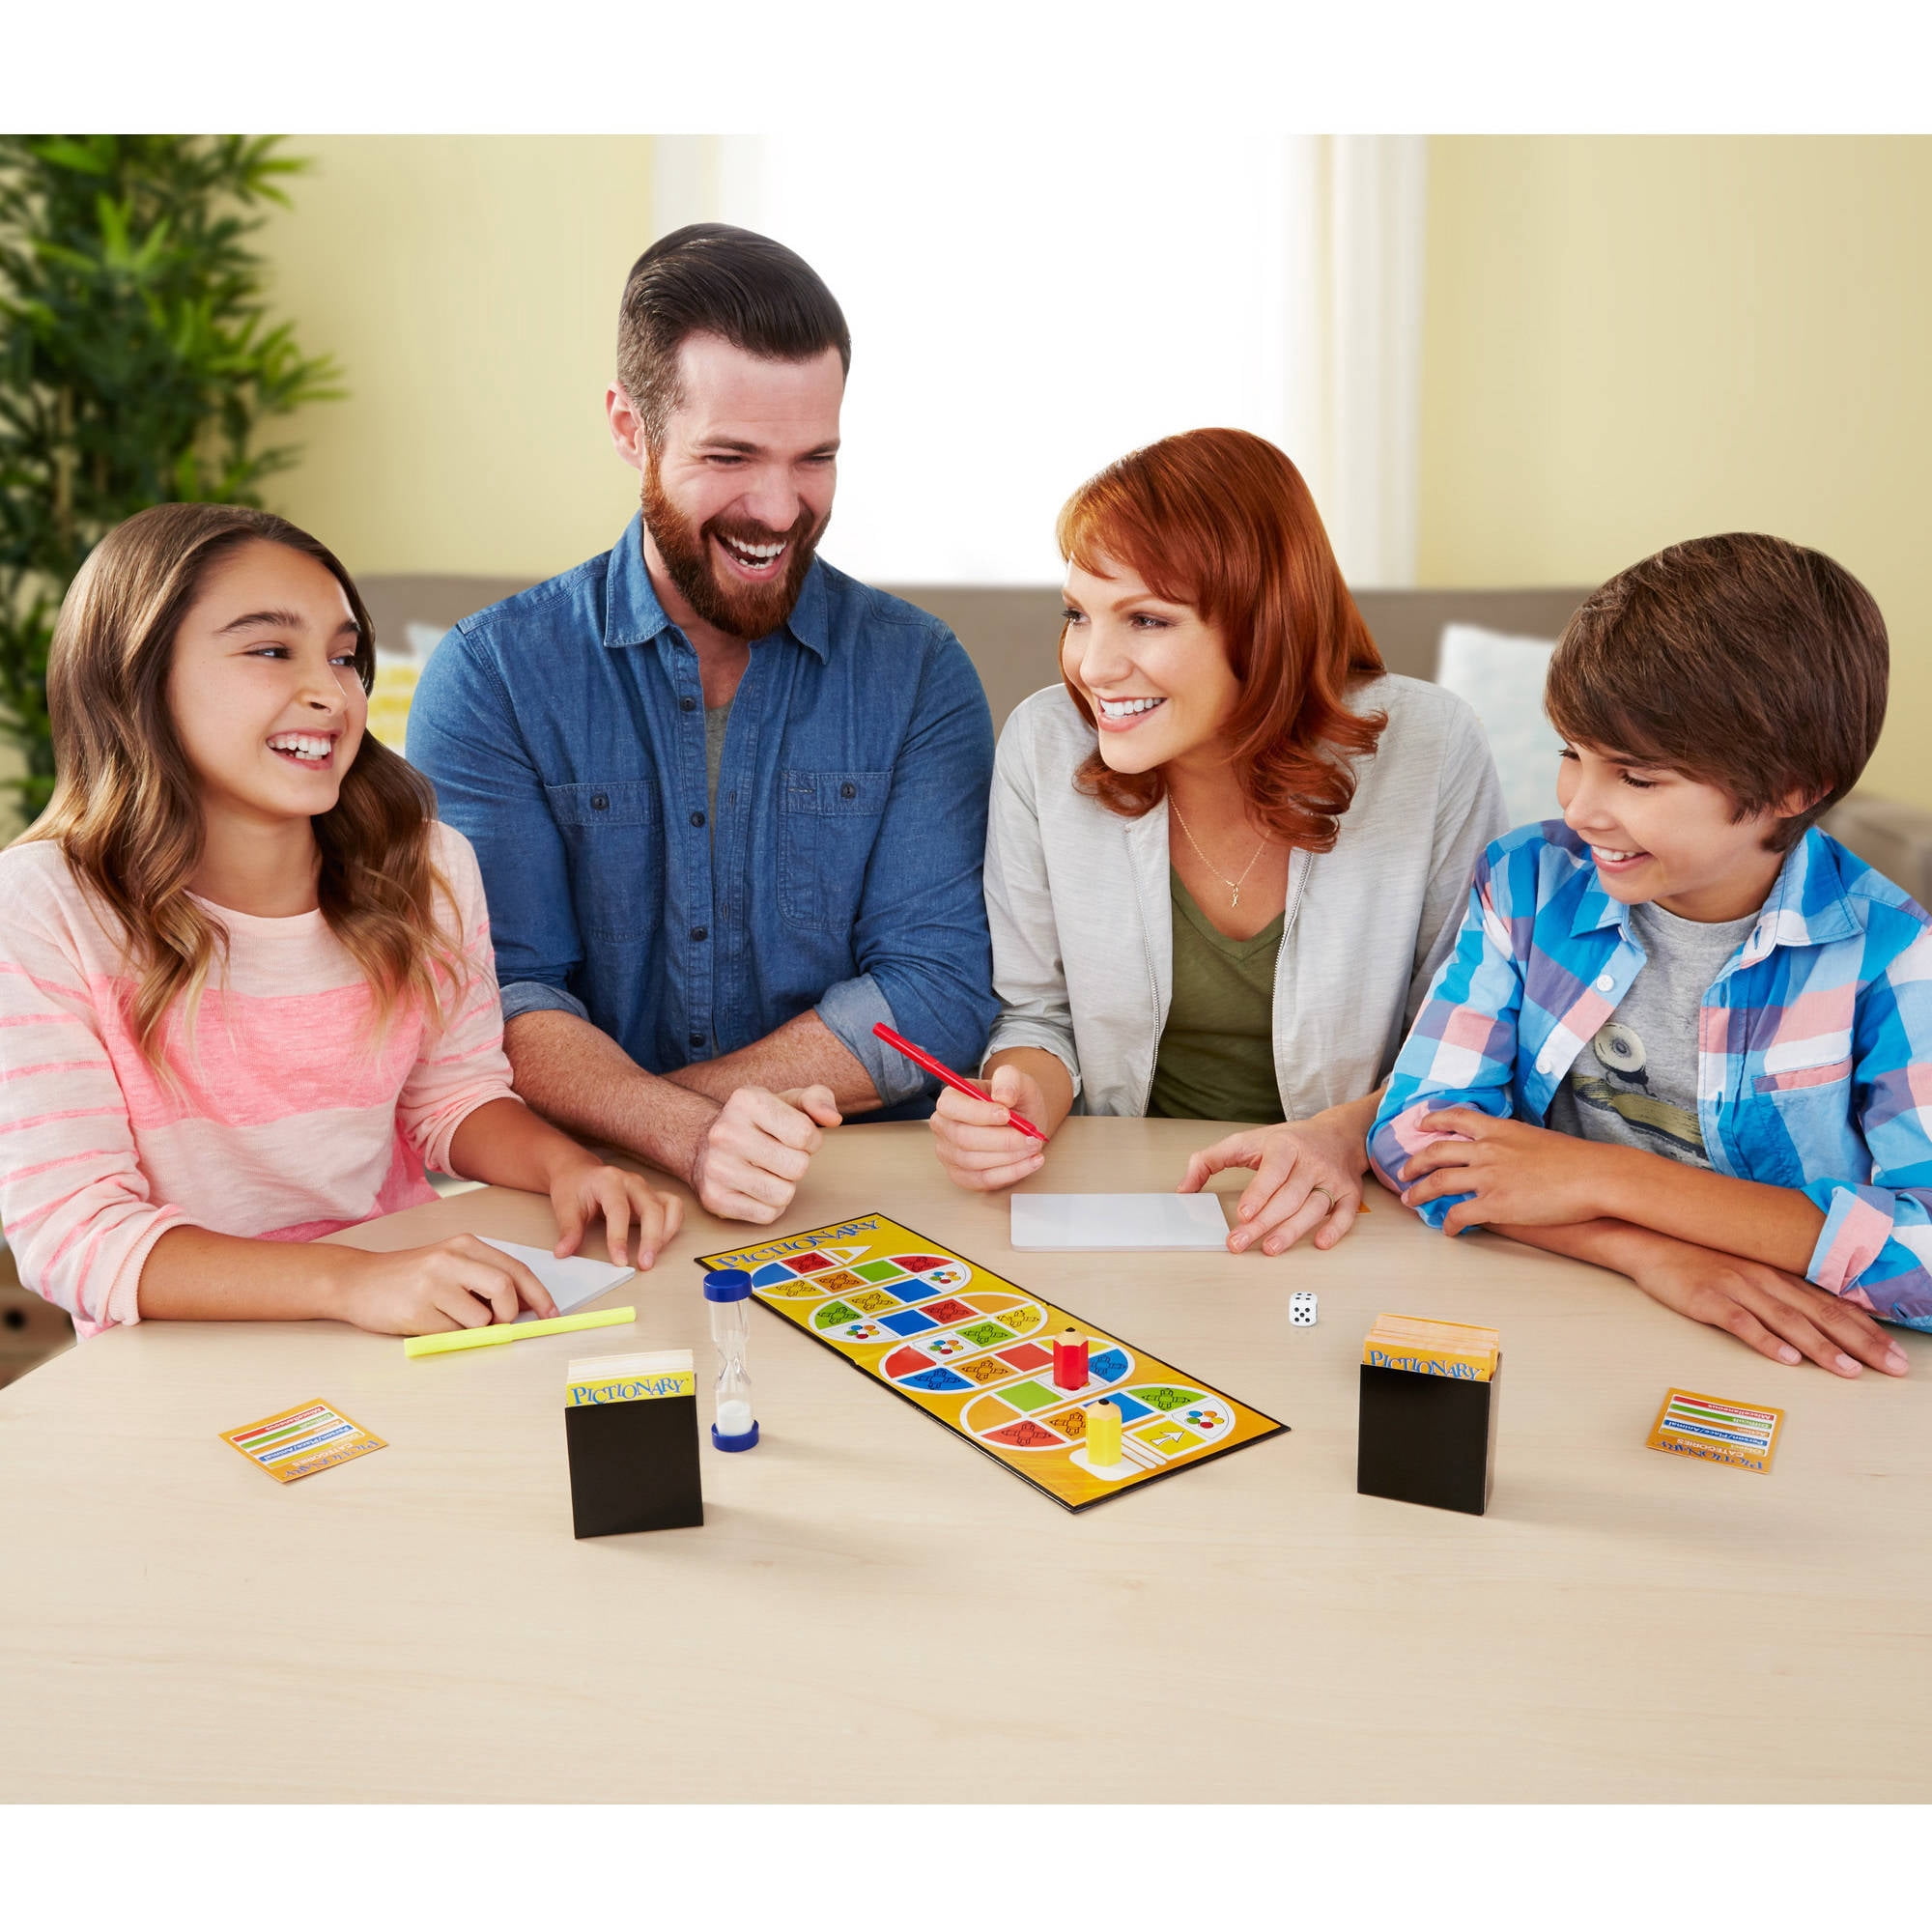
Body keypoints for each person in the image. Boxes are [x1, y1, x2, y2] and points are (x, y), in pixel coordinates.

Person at [409, 224, 997, 1226]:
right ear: (629, 428)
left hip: (853, 1199)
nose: (779, 508)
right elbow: (501, 997)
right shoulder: (490, 677)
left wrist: (662, 1119)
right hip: (593, 1202)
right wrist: (681, 1136)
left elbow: (936, 989)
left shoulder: (919, 672)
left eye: (815, 458)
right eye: (730, 456)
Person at [0, 504, 683, 1339]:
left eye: (343, 657)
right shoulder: (43, 906)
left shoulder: (427, 867)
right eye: (269, 651)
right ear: (135, 678)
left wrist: (568, 1167)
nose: (331, 692)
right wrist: (353, 1282)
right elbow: (74, 1232)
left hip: (398, 1307)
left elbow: (453, 1096)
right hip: (185, 1350)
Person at [927, 428, 1507, 1256]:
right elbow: (1037, 1015)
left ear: (1265, 623)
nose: (1092, 666)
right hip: (1130, 1194)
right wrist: (1019, 1099)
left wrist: (1339, 1137)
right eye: (1078, 616)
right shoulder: (1043, 745)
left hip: (1361, 1196)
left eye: (1146, 619)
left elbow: (1465, 1040)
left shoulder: (1430, 747)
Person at [1371, 532, 1925, 1377]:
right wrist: (1648, 1252)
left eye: (1636, 777)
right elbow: (1415, 1135)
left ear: (1793, 788)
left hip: (1781, 1351)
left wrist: (1604, 1178)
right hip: (1552, 1296)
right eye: (1572, 754)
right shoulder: (1527, 882)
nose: (1580, 808)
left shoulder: (1890, 957)